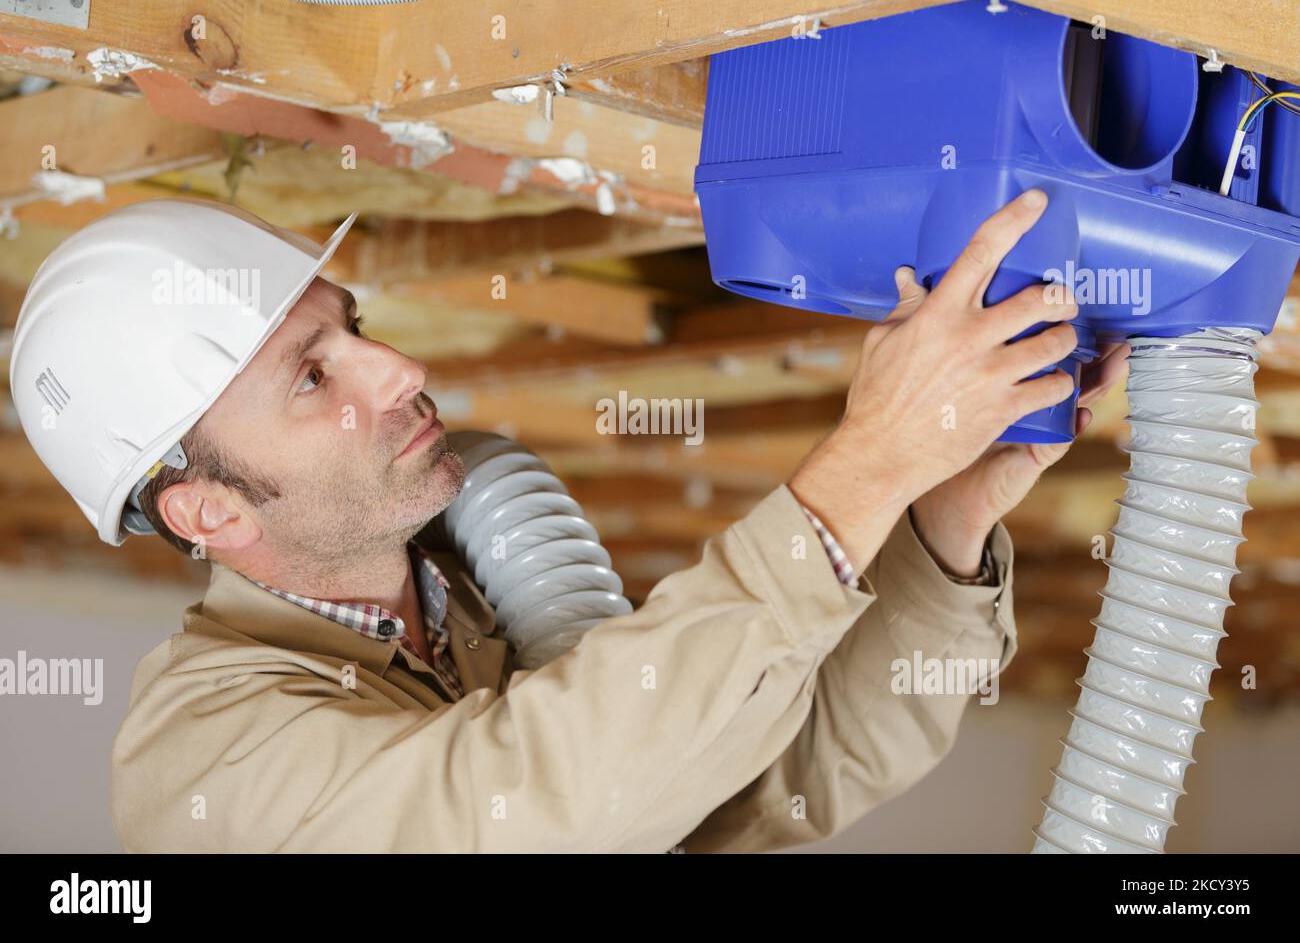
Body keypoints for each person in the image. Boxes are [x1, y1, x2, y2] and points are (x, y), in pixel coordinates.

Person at [10, 189, 1126, 852]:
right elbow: (538, 807)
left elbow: (755, 790)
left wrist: (940, 515)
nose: (396, 368)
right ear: (205, 504)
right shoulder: (206, 760)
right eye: (312, 376)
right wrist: (868, 457)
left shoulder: (477, 596)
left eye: (354, 328)